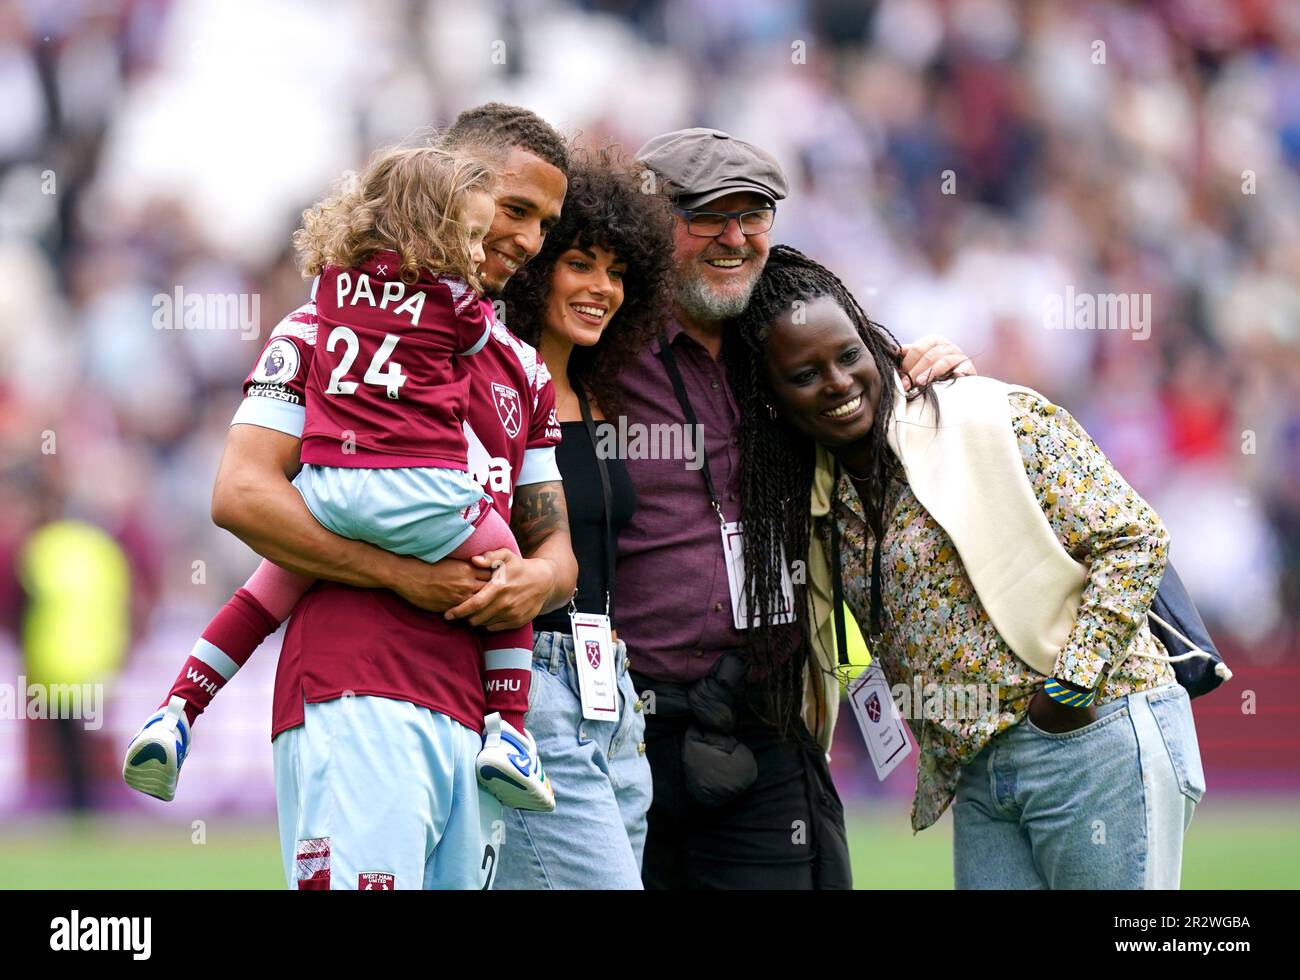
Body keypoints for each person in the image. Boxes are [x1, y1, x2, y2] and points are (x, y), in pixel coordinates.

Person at [124, 103, 576, 890]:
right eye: (512, 211)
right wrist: (398, 573)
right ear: (451, 195)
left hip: (465, 713)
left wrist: (536, 582)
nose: (528, 241)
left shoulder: (525, 372)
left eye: (545, 223)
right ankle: (175, 714)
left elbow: (556, 553)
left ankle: (178, 709)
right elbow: (240, 495)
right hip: (355, 686)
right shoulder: (311, 331)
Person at [728, 245, 1205, 889]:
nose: (838, 382)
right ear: (773, 399)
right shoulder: (819, 496)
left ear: (874, 346)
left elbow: (1135, 540)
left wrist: (1069, 692)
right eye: (805, 374)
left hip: (1092, 737)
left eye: (848, 355)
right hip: (976, 772)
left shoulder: (984, 412)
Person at [620, 128, 975, 889]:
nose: (737, 236)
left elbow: (871, 394)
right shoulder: (598, 342)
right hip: (625, 728)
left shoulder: (785, 333)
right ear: (651, 222)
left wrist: (938, 372)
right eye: (710, 214)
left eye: (755, 215)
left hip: (765, 716)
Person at [492, 149, 674, 888]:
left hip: (614, 697)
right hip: (527, 685)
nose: (603, 288)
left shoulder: (598, 395)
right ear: (535, 267)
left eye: (619, 272)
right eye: (580, 263)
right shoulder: (491, 384)